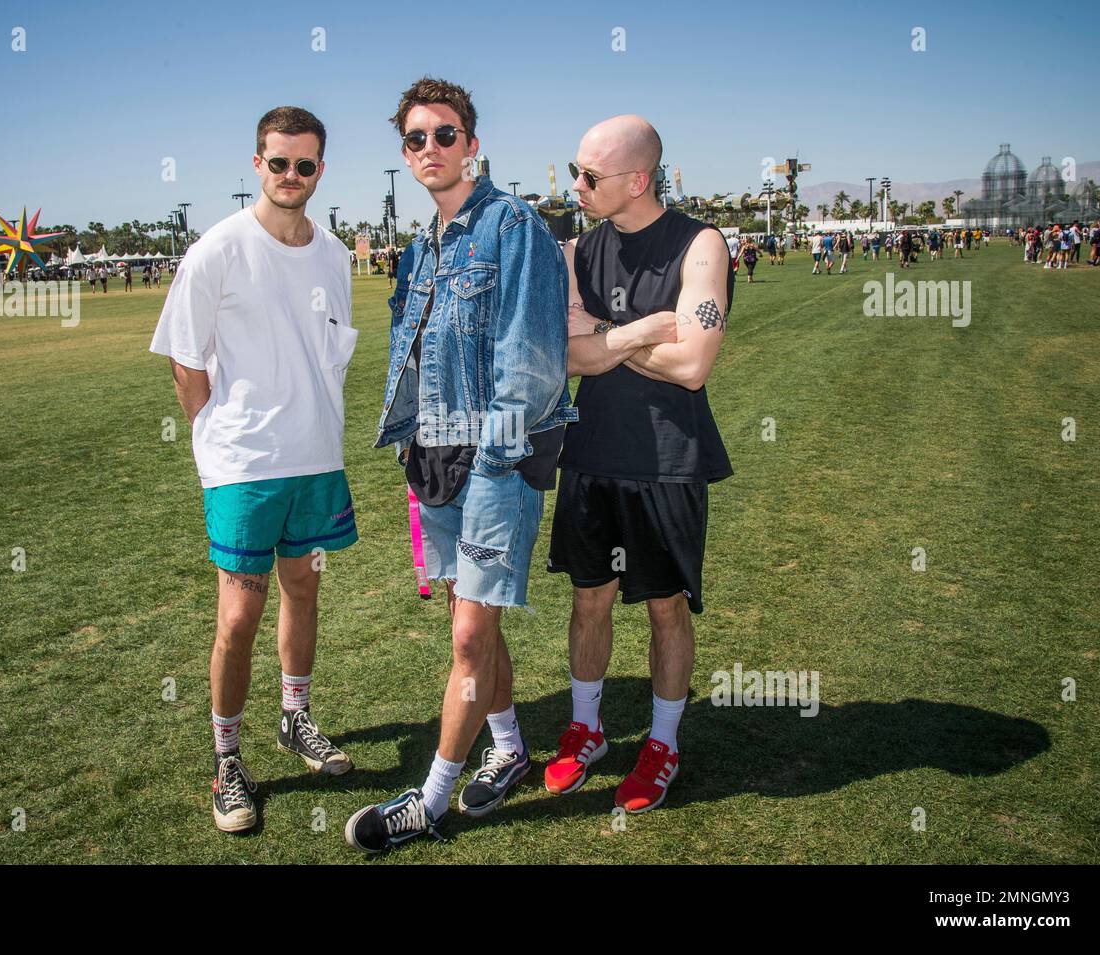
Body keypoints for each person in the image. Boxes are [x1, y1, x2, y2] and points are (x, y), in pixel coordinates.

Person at [347, 76, 575, 853]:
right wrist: (411, 446)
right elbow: (413, 359)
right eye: (415, 138)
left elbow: (531, 360)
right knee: (466, 619)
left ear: (472, 144)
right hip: (433, 458)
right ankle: (509, 746)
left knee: (471, 634)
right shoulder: (420, 248)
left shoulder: (513, 225)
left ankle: (430, 799)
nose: (430, 148)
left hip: (493, 460)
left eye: (445, 134)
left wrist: (493, 463)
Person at [149, 106, 359, 835]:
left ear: (320, 170)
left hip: (316, 457)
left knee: (303, 589)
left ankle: (296, 718)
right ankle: (227, 758)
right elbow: (186, 361)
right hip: (243, 465)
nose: (291, 175)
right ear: (257, 165)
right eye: (278, 162)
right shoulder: (217, 250)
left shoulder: (335, 254)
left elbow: (331, 354)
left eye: (305, 164)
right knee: (238, 615)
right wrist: (217, 438)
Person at [546, 114, 733, 816]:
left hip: (667, 459)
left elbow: (691, 365)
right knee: (587, 598)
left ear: (638, 180)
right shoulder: (577, 252)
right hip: (590, 452)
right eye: (576, 169)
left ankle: (662, 742)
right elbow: (567, 357)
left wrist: (604, 337)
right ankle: (586, 728)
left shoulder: (700, 244)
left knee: (665, 607)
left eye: (590, 175)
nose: (576, 184)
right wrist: (638, 330)